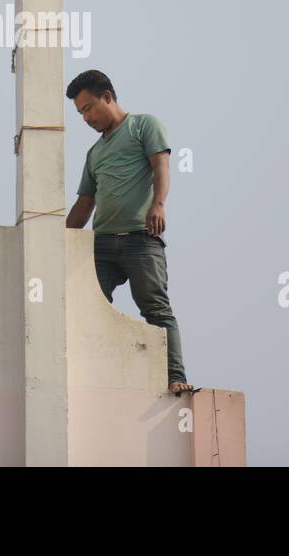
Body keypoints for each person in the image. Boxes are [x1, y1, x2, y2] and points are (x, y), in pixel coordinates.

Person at [64, 70, 193, 395]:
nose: (86, 117)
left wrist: (159, 205)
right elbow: (84, 203)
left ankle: (174, 377)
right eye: (81, 112)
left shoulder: (143, 126)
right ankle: (89, 376)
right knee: (88, 305)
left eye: (89, 108)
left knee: (154, 307)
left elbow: (161, 166)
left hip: (141, 239)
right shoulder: (94, 154)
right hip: (103, 245)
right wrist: (58, 237)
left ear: (107, 96)